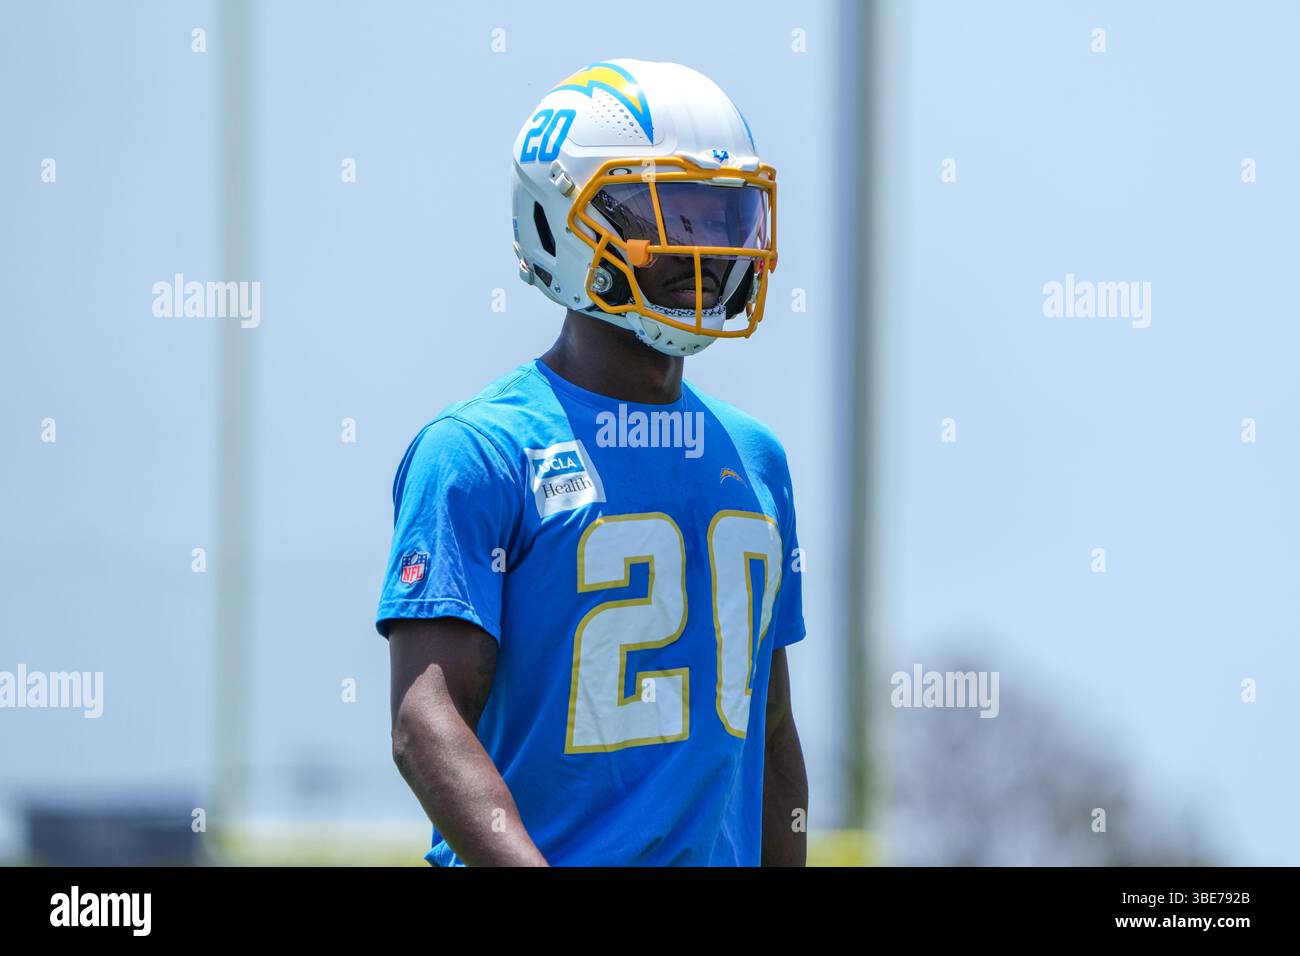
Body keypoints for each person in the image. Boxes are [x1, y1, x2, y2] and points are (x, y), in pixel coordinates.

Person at [377, 59, 807, 866]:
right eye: (678, 216)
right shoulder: (479, 452)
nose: (712, 250)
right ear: (563, 224)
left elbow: (772, 730)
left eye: (727, 213)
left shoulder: (756, 458)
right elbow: (425, 721)